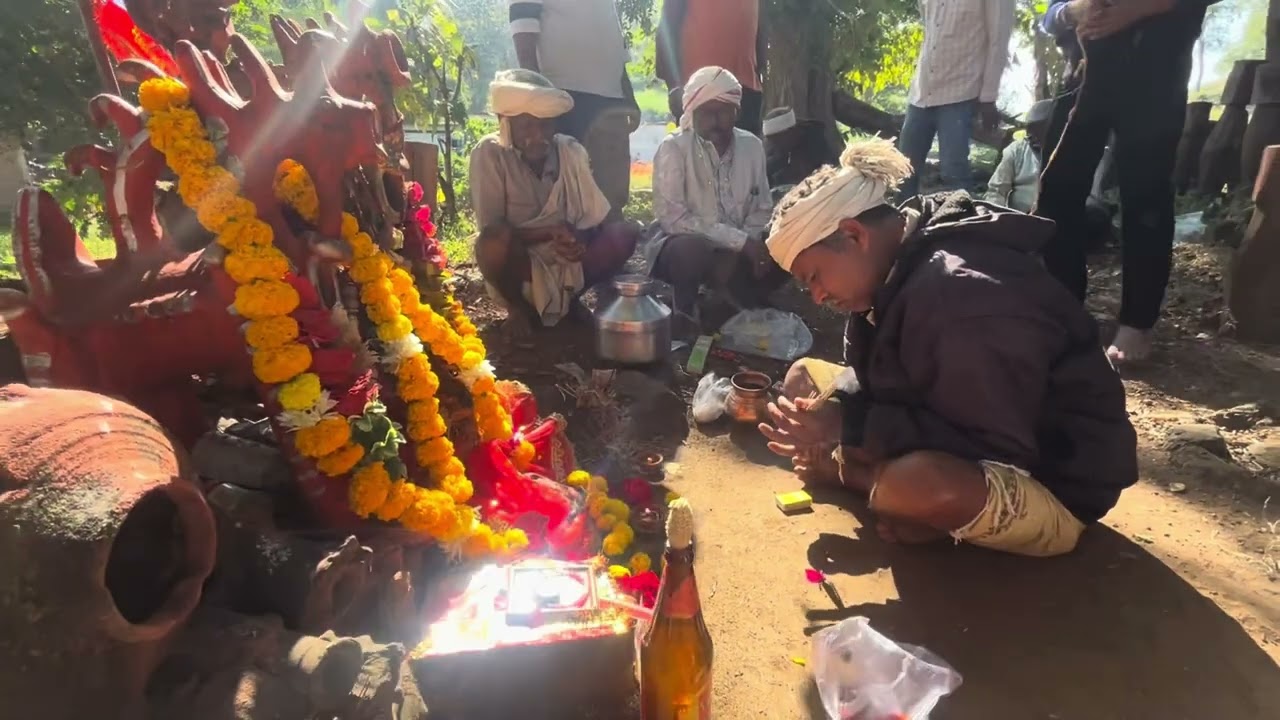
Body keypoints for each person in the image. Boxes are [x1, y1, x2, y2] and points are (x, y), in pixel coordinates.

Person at [757, 138, 1138, 557]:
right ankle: (873, 478)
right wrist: (836, 413)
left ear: (853, 234)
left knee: (917, 486)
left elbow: (996, 448)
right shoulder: (894, 264)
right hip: (952, 423)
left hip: (1048, 480)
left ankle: (862, 479)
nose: (816, 296)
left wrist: (849, 430)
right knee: (804, 381)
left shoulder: (959, 294)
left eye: (814, 277)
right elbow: (883, 378)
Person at [1034, 0, 1220, 365]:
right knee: (1056, 190)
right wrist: (1072, 11)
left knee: (1145, 195)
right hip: (1082, 78)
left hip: (1156, 73)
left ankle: (1137, 321)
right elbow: (1050, 16)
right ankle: (1062, 306)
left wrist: (1138, 9)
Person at [470, 70, 640, 338]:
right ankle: (517, 309)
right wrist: (548, 232)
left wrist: (577, 239)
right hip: (520, 264)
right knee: (492, 243)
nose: (538, 135)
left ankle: (571, 302)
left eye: (546, 125)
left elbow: (590, 216)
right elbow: (493, 231)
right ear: (506, 123)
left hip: (565, 258)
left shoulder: (570, 151)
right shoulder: (489, 153)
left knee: (625, 233)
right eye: (527, 125)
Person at [648, 67, 783, 321]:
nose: (715, 121)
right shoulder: (674, 148)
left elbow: (762, 207)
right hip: (684, 243)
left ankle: (735, 299)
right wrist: (739, 242)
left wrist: (744, 245)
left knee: (785, 243)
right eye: (706, 113)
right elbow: (673, 219)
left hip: (741, 245)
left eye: (723, 112)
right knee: (690, 251)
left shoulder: (752, 146)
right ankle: (685, 307)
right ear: (692, 112)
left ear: (737, 112)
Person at [509, 0, 640, 216]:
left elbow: (611, 33)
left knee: (612, 195)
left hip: (611, 98)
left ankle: (611, 234)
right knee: (566, 196)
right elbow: (522, 20)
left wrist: (628, 95)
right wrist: (536, 93)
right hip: (563, 96)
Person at [897, 0, 1016, 199]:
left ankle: (961, 218)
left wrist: (988, 98)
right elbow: (930, 30)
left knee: (954, 174)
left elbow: (998, 42)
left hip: (961, 91)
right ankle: (902, 217)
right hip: (922, 91)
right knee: (902, 170)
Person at [655, 0, 767, 136]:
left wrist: (760, 74)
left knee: (748, 147)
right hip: (702, 93)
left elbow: (759, 27)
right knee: (698, 149)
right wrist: (674, 87)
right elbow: (666, 30)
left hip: (747, 91)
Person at [985, 100, 1053, 212]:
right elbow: (997, 190)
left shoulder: (1069, 152)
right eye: (1030, 128)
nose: (1032, 134)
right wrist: (995, 214)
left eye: (1038, 128)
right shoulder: (1016, 150)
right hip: (1021, 218)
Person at [763, 107, 840, 200]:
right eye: (770, 140)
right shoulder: (776, 148)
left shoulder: (815, 143)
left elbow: (817, 175)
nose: (773, 144)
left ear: (791, 131)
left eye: (776, 140)